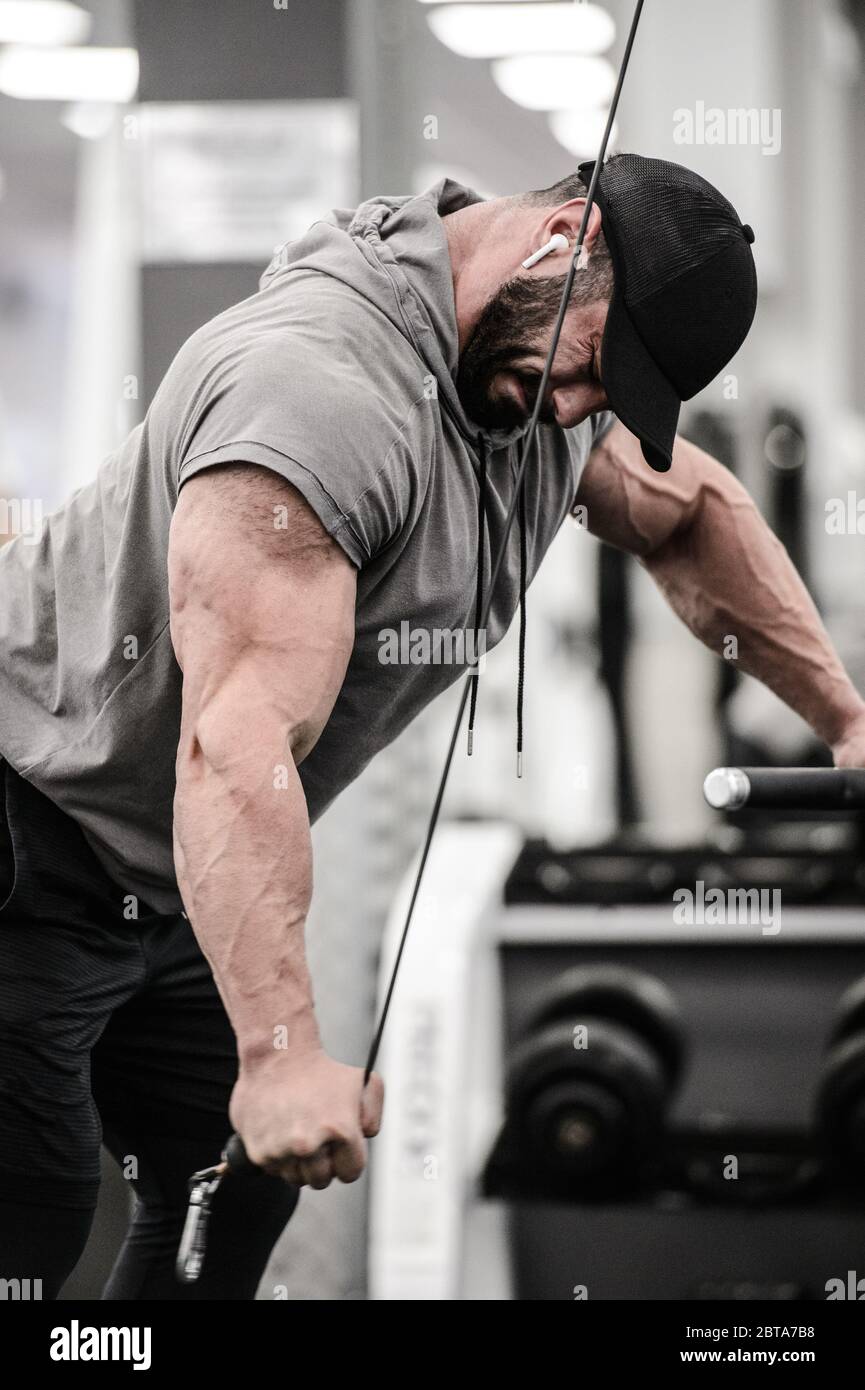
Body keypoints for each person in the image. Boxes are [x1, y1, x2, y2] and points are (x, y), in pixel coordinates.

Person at [1, 154, 863, 1299]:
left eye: (607, 397)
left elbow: (693, 512)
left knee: (234, 1185)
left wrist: (845, 720)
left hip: (162, 875)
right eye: (592, 367)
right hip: (31, 817)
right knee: (32, 1205)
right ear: (562, 238)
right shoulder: (316, 396)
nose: (574, 411)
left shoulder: (537, 383)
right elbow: (232, 745)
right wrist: (280, 1056)